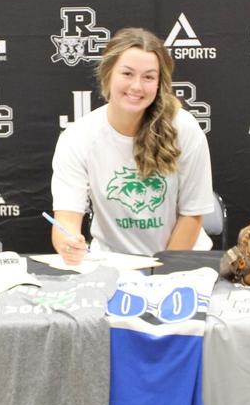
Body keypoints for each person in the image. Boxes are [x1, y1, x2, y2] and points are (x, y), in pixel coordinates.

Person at [51, 27, 214, 263]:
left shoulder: (185, 129)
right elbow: (66, 218)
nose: (137, 86)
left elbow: (192, 216)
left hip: (181, 262)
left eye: (148, 77)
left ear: (159, 83)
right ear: (108, 75)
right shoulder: (77, 137)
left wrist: (162, 272)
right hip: (113, 266)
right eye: (127, 74)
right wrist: (67, 243)